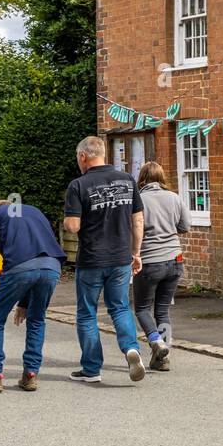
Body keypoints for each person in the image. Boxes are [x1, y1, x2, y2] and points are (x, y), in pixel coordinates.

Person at [63, 135, 146, 383]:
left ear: (82, 156)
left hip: (91, 259)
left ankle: (91, 369)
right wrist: (136, 253)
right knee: (119, 307)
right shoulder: (127, 180)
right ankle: (131, 349)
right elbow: (138, 221)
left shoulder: (78, 186)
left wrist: (69, 220)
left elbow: (73, 226)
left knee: (87, 313)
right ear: (104, 154)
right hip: (121, 257)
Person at [0, 199, 66, 393]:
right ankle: (30, 375)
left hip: (19, 269)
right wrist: (24, 303)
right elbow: (37, 253)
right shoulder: (34, 211)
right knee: (37, 320)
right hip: (52, 267)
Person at [134, 161, 190, 371]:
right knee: (163, 310)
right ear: (161, 178)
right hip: (174, 259)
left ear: (142, 178)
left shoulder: (138, 199)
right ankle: (163, 358)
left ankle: (156, 342)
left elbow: (133, 228)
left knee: (141, 309)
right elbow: (185, 226)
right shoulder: (174, 197)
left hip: (149, 261)